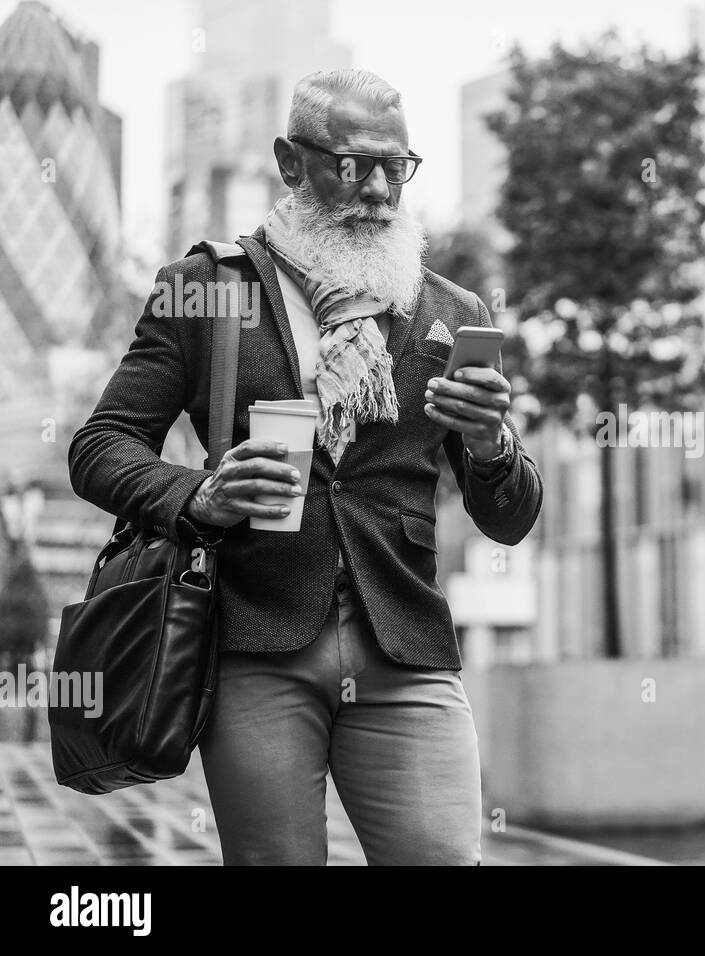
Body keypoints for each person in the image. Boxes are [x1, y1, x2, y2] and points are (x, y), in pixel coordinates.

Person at [68, 68, 542, 865]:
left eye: (398, 165)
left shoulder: (454, 314)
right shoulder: (206, 291)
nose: (381, 187)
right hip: (255, 644)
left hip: (407, 648)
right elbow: (102, 444)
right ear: (291, 162)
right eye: (354, 164)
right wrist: (202, 494)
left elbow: (511, 518)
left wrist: (495, 447)